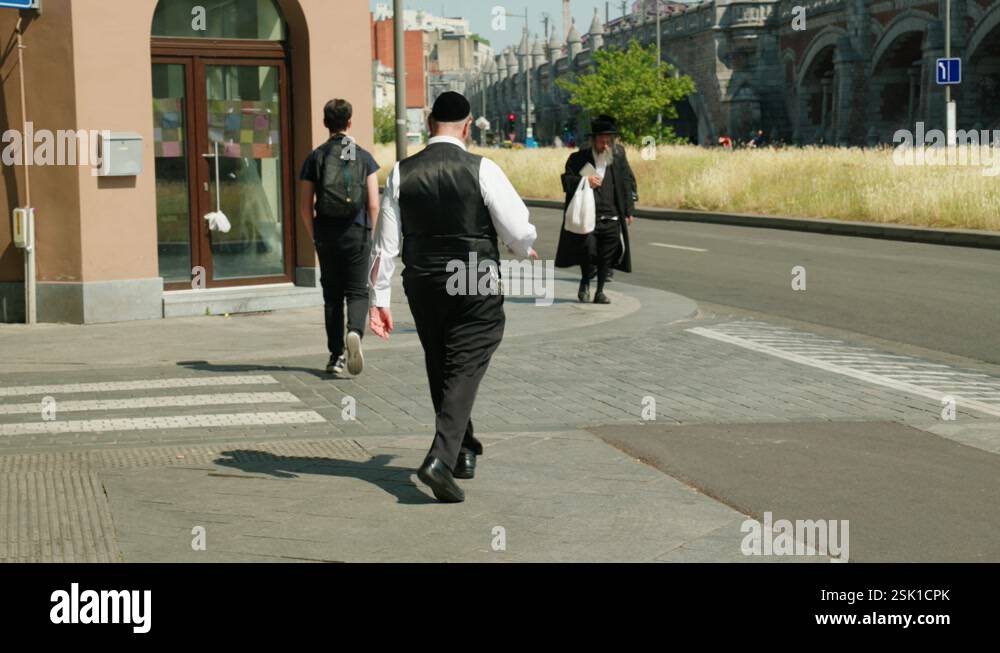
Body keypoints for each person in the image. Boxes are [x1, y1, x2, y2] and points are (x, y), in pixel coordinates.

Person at [368, 92, 538, 503]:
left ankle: (464, 448)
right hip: (472, 275)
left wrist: (378, 300)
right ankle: (440, 459)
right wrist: (523, 246)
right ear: (467, 126)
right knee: (469, 354)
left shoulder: (401, 173)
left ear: (428, 124)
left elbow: (385, 244)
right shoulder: (483, 169)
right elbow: (517, 228)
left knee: (442, 359)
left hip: (423, 280)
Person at [299, 99, 380, 376]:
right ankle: (354, 331)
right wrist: (370, 231)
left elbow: (304, 205)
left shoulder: (316, 157)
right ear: (349, 122)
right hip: (357, 233)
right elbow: (373, 203)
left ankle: (336, 357)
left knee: (332, 296)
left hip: (327, 235)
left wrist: (315, 236)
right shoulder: (363, 156)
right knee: (357, 290)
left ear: (325, 123)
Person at [555, 115, 636, 304]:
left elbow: (625, 181)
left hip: (612, 213)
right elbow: (567, 181)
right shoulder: (579, 158)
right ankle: (585, 280)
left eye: (609, 141)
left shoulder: (617, 155)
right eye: (602, 141)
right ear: (593, 140)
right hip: (588, 215)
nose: (605, 145)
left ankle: (599, 291)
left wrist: (629, 209)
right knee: (589, 251)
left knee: (607, 253)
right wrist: (585, 180)